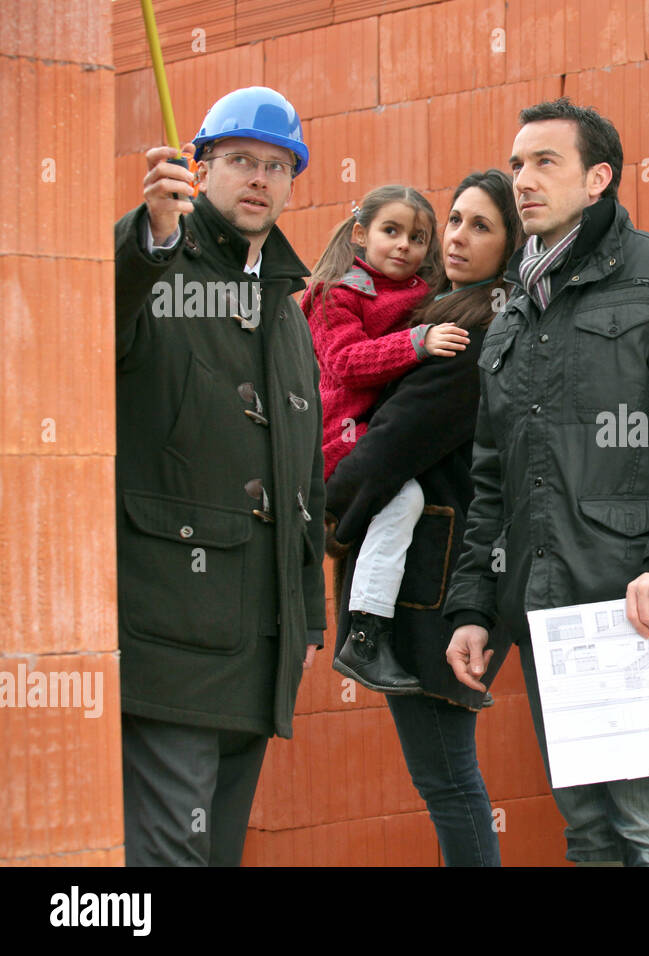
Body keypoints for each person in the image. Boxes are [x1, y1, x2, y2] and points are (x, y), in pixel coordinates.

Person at [442, 98, 649, 866]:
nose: (523, 179)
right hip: (545, 611)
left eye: (545, 162)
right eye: (517, 164)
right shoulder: (514, 314)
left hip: (633, 600)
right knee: (587, 835)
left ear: (598, 178)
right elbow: (491, 479)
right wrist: (474, 605)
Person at [114, 86, 325, 866]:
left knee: (217, 851)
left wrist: (307, 615)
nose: (259, 178)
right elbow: (97, 315)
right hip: (169, 637)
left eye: (277, 165)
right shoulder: (157, 263)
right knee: (171, 853)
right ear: (199, 168)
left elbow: (305, 479)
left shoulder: (287, 307)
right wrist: (151, 235)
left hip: (260, 644)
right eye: (240, 159)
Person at [324, 169, 524, 866]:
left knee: (447, 779)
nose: (457, 238)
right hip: (442, 580)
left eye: (481, 226)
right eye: (456, 221)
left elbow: (388, 449)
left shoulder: (472, 338)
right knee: (447, 776)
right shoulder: (443, 315)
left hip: (436, 592)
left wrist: (323, 519)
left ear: (512, 245)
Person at [303, 185, 471, 693]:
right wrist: (418, 342)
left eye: (418, 238)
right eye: (390, 231)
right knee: (406, 498)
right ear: (361, 233)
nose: (404, 245)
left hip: (372, 429)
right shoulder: (335, 294)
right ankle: (365, 634)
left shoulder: (421, 294)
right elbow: (345, 363)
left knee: (404, 500)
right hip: (339, 435)